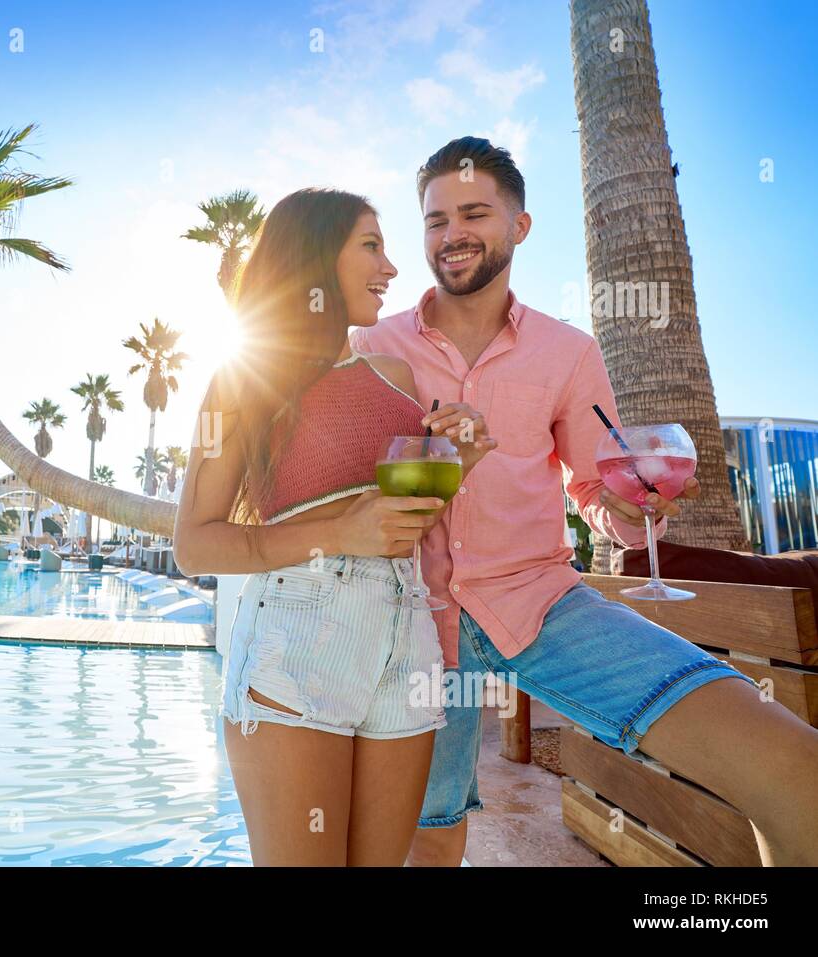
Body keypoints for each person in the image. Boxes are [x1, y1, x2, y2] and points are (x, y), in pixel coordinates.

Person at [352, 136, 818, 866]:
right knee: (432, 835)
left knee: (795, 767)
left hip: (543, 604)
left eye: (474, 213)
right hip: (409, 620)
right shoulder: (370, 344)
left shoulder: (568, 351)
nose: (452, 235)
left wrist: (632, 512)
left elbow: (595, 486)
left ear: (520, 226)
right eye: (437, 219)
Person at [174, 187, 497, 865]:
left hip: (405, 642)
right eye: (371, 245)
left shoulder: (395, 375)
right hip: (298, 644)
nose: (391, 267)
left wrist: (458, 458)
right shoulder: (242, 378)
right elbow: (194, 542)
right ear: (315, 252)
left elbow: (403, 523)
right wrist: (336, 535)